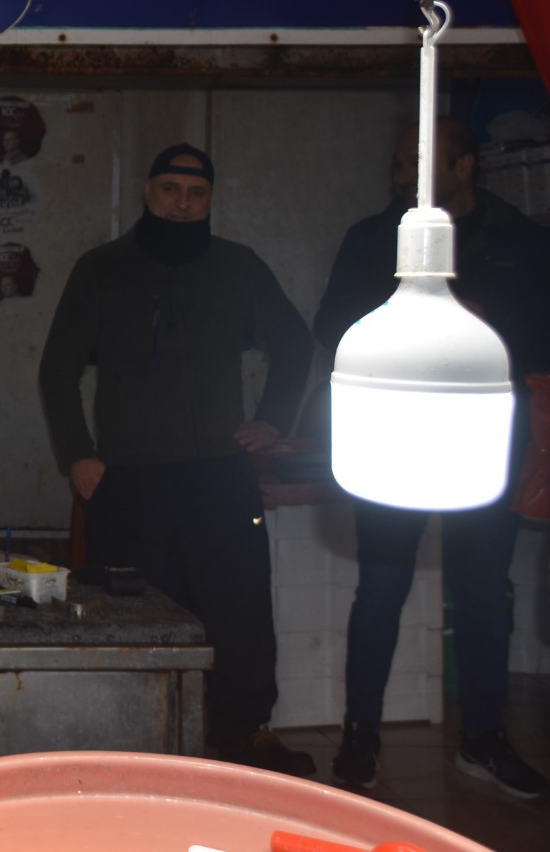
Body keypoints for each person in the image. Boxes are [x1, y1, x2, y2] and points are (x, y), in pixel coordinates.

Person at [38, 143, 316, 776]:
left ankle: (246, 735)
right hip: (127, 479)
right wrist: (78, 455)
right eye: (170, 190)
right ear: (147, 191)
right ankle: (132, 746)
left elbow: (295, 345)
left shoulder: (238, 267)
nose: (182, 204)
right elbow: (56, 369)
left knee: (240, 611)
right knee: (129, 614)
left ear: (210, 199)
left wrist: (273, 418)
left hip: (219, 475)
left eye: (196, 193)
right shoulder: (101, 269)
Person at [314, 117, 550, 800]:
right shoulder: (371, 239)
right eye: (395, 158)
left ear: (466, 165)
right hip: (394, 440)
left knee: (481, 592)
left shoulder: (523, 240)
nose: (399, 169)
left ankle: (484, 739)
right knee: (381, 588)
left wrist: (480, 323)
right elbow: (332, 326)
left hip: (481, 443)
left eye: (415, 158)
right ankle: (360, 737)